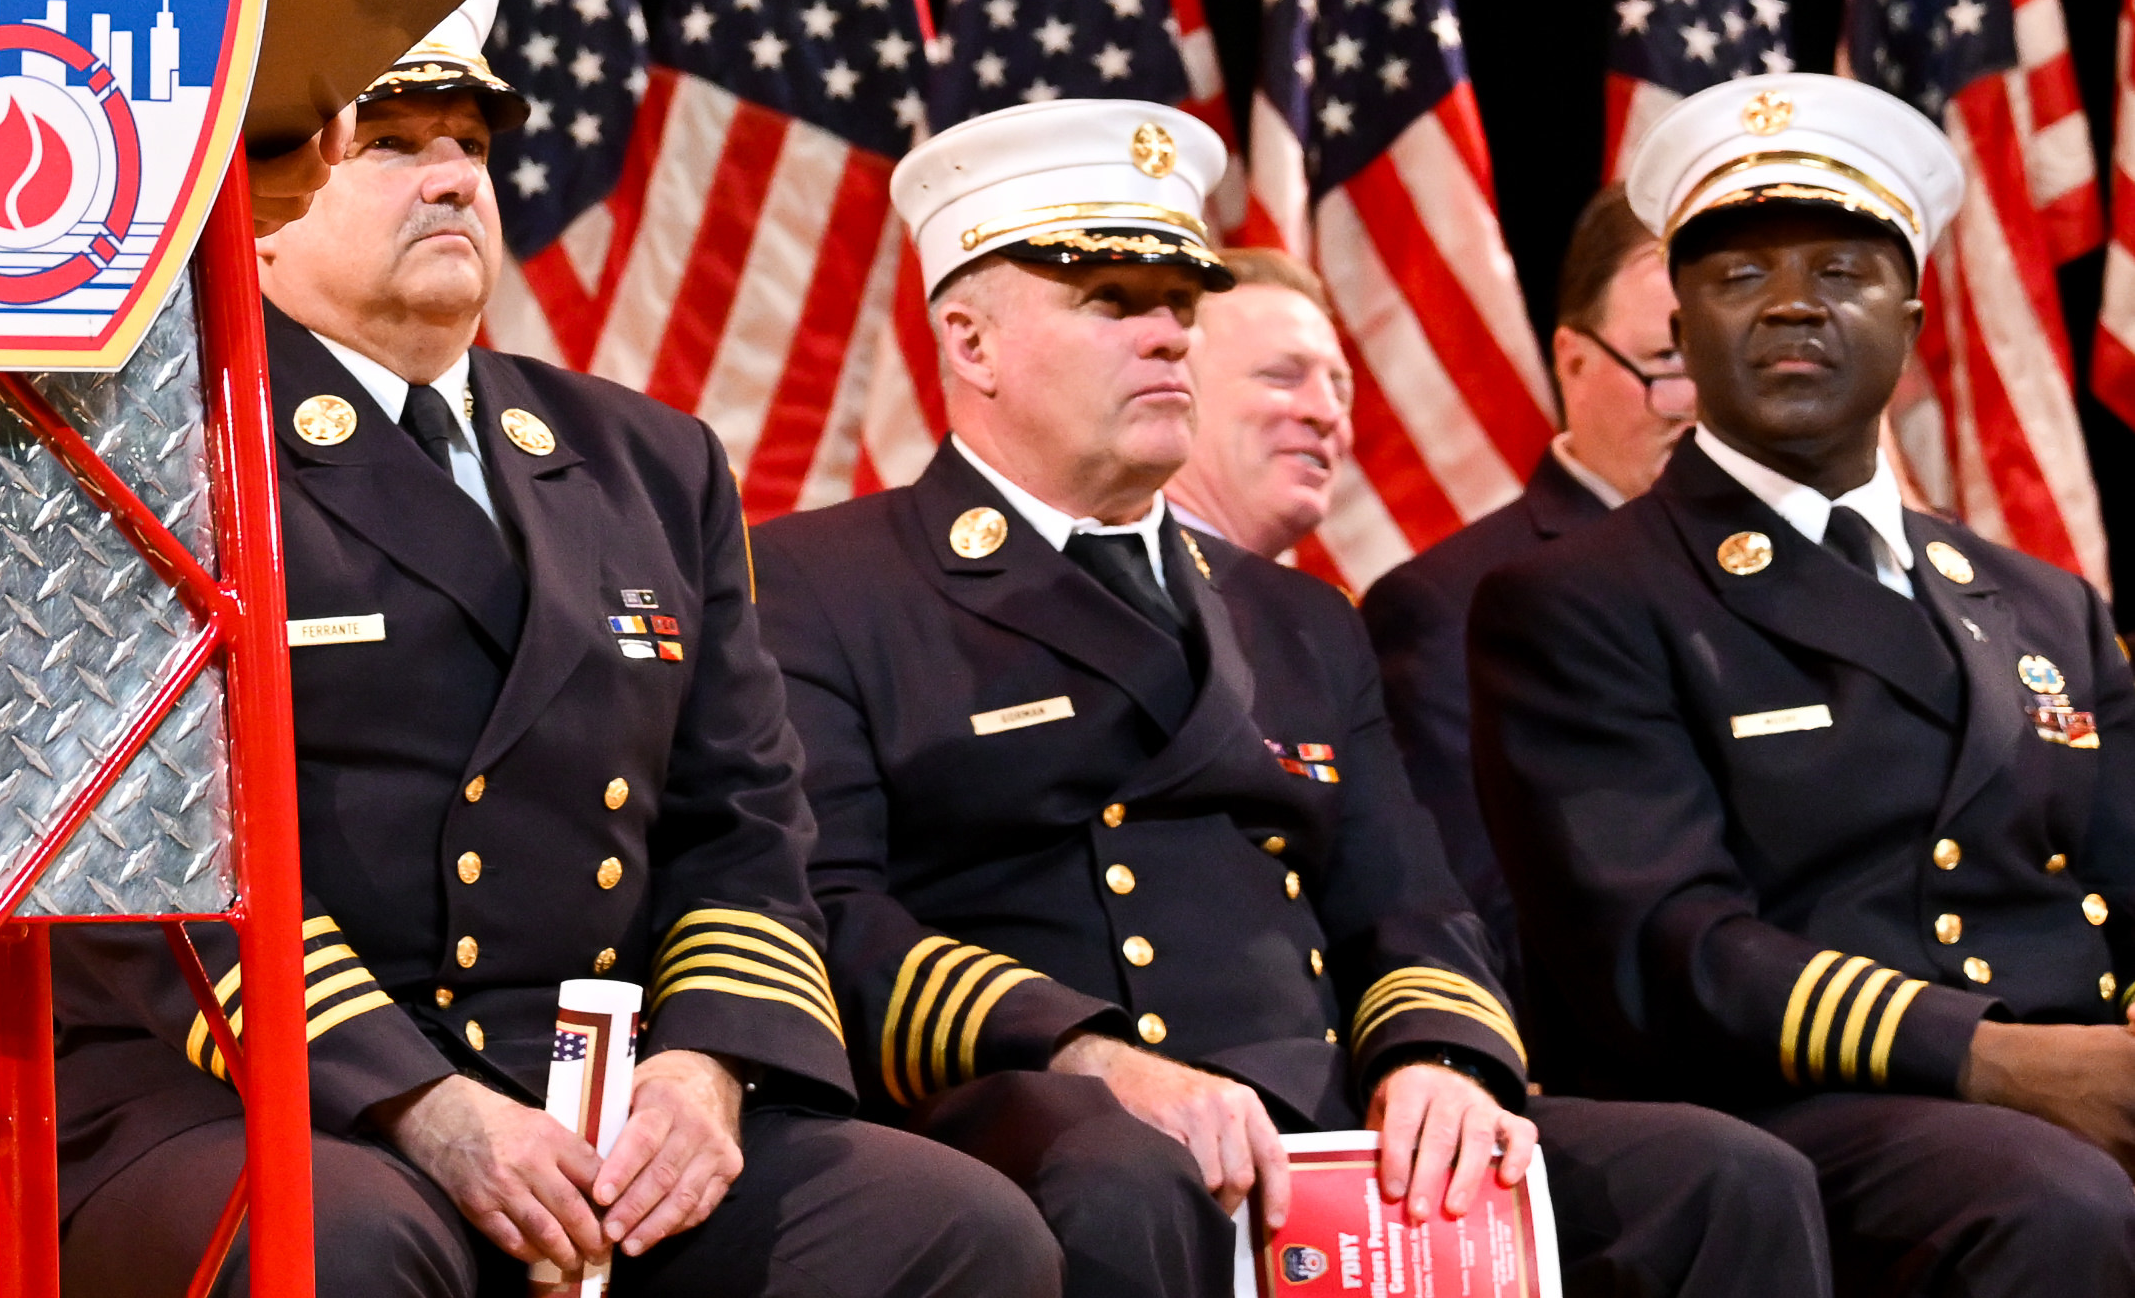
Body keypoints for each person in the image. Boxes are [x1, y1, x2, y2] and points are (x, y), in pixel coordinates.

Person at [51, 0, 1059, 1296]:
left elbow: (740, 818)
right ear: (255, 202)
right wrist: (421, 1101)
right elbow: (140, 857)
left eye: (470, 141)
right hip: (243, 1080)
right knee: (346, 1248)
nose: (454, 176)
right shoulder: (150, 448)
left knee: (956, 1230)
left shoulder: (651, 459)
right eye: (391, 140)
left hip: (589, 1087)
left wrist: (704, 1069)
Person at [753, 97, 1826, 1298]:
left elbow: (1408, 905)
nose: (1168, 337)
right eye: (1110, 302)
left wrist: (1437, 1058)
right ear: (970, 342)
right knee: (1123, 1175)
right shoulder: (820, 580)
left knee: (1725, 1176)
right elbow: (827, 913)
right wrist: (1090, 1056)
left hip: (1320, 1113)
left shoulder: (1297, 614)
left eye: (1177, 304)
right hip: (1038, 1110)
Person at [1472, 73, 2135, 1291]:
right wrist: (2001, 1063)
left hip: (2072, 1068)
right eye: (1738, 278)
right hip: (1786, 1108)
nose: (1790, 307)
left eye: (1839, 272)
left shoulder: (2044, 602)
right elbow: (1666, 948)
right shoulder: (1580, 601)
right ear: (1680, 317)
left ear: (1912, 312)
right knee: (2053, 1201)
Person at [1362, 187, 1686, 984]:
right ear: (1573, 359)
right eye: (1669, 363)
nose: (1703, 404)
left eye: (1725, 360)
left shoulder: (1806, 577)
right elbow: (1484, 908)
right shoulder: (1449, 603)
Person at [1163, 247, 1350, 562]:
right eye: (1282, 376)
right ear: (1171, 388)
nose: (1327, 413)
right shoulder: (1089, 592)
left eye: (1340, 393)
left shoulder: (1319, 609)